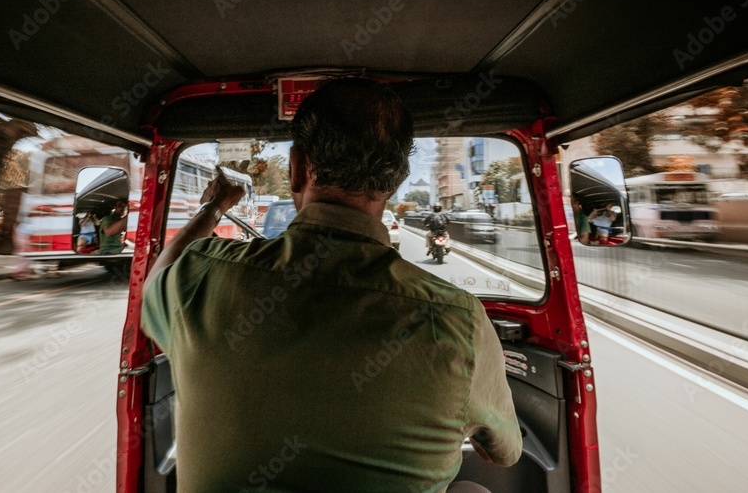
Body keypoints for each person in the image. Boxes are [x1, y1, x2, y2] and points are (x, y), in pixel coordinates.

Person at [141, 78, 521, 492]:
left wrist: (215, 206)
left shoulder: (200, 277)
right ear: (393, 184)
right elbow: (504, 453)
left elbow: (158, 278)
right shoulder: (459, 322)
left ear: (297, 168)